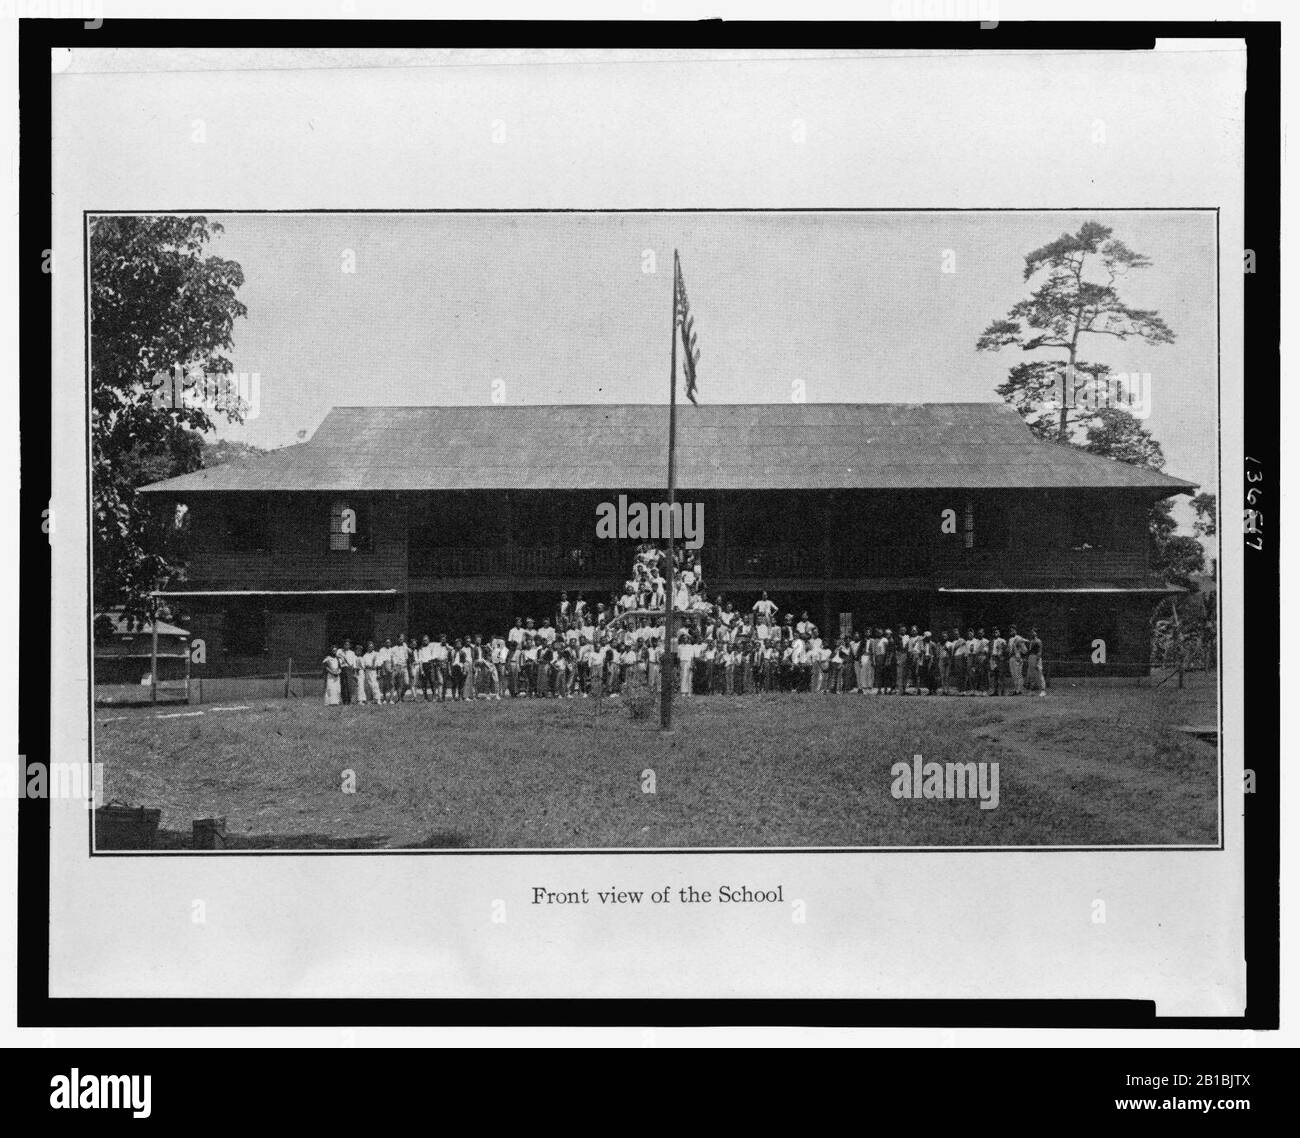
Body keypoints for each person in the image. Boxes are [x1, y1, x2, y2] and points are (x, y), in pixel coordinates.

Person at [1025, 627, 1046, 696]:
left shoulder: (1038, 641)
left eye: (1033, 632)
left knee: (1039, 673)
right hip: (1031, 657)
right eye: (1031, 632)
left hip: (1036, 657)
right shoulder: (1031, 641)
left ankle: (1043, 690)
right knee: (1031, 674)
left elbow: (1039, 652)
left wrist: (1037, 662)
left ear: (1036, 633)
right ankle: (1032, 691)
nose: (1032, 633)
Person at [1007, 625, 1027, 695]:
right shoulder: (1010, 639)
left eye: (1013, 630)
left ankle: (1019, 689)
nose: (1011, 632)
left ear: (1015, 630)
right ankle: (1016, 689)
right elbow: (1009, 650)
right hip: (1011, 658)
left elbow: (1025, 650)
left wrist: (1019, 650)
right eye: (1010, 630)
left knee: (1018, 674)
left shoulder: (1019, 638)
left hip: (1017, 657)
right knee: (1013, 674)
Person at [989, 628, 1007, 696]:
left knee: (1001, 675)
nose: (995, 633)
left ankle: (1003, 692)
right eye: (994, 632)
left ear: (999, 633)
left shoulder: (1002, 640)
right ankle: (995, 691)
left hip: (999, 658)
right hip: (993, 658)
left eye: (996, 632)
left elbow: (1006, 650)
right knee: (995, 676)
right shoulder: (991, 641)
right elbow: (990, 651)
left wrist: (1003, 656)